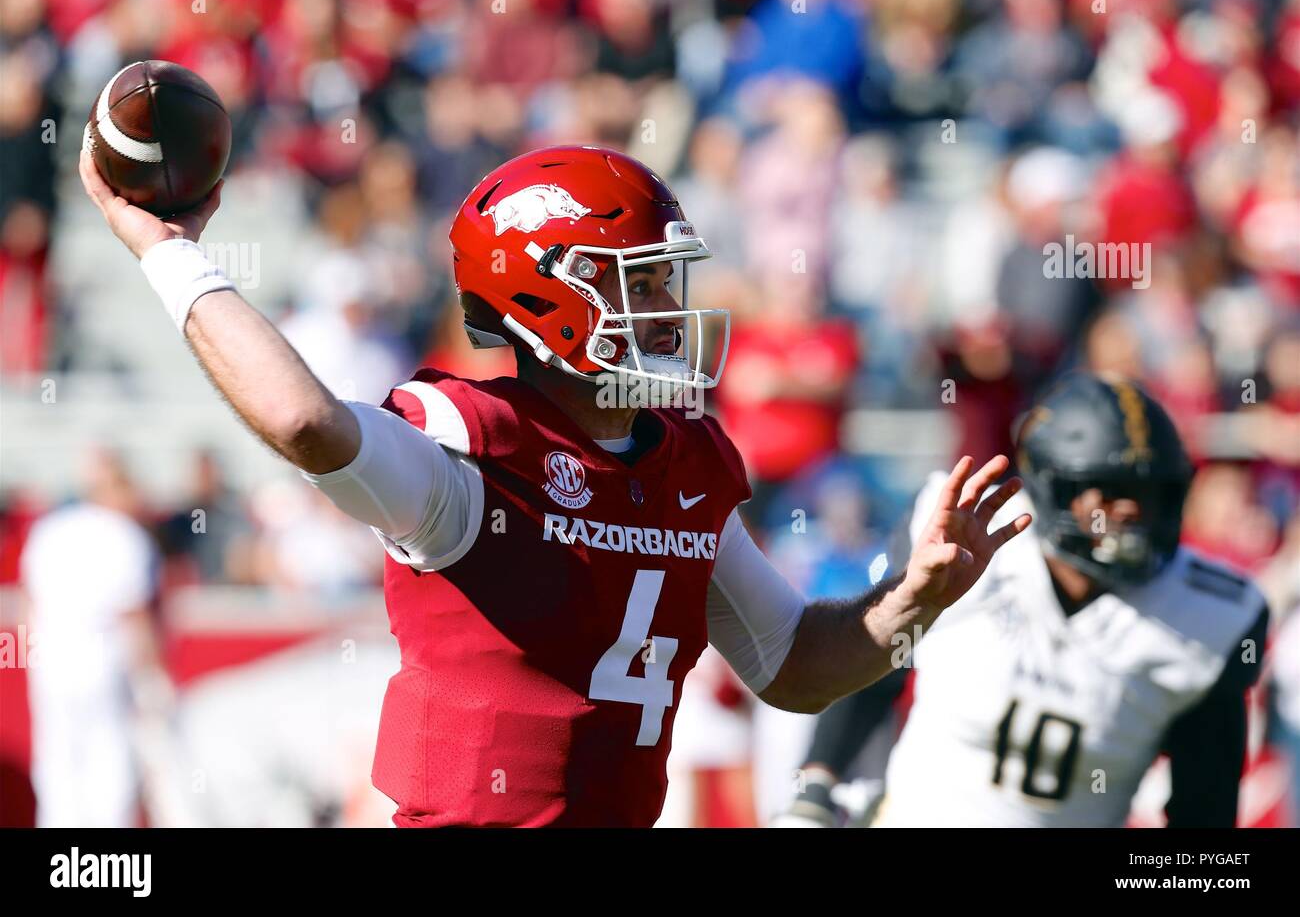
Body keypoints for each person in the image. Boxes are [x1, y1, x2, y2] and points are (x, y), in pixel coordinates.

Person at [79, 142, 1030, 828]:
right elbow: (304, 422)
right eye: (642, 283)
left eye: (669, 281)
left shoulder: (685, 461)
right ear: (551, 297)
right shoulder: (468, 449)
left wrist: (916, 599)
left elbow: (796, 669)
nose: (673, 310)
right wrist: (167, 250)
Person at [780, 373, 1269, 827]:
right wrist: (816, 788)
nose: (1131, 511)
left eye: (1150, 493)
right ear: (1057, 486)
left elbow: (1204, 809)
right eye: (1111, 490)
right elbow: (869, 672)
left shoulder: (1208, 618)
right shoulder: (966, 540)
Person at [21, 447, 173, 827]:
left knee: (59, 758)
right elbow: (133, 615)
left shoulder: (50, 529)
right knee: (111, 755)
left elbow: (31, 604)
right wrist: (154, 677)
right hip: (102, 662)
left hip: (52, 662)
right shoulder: (123, 535)